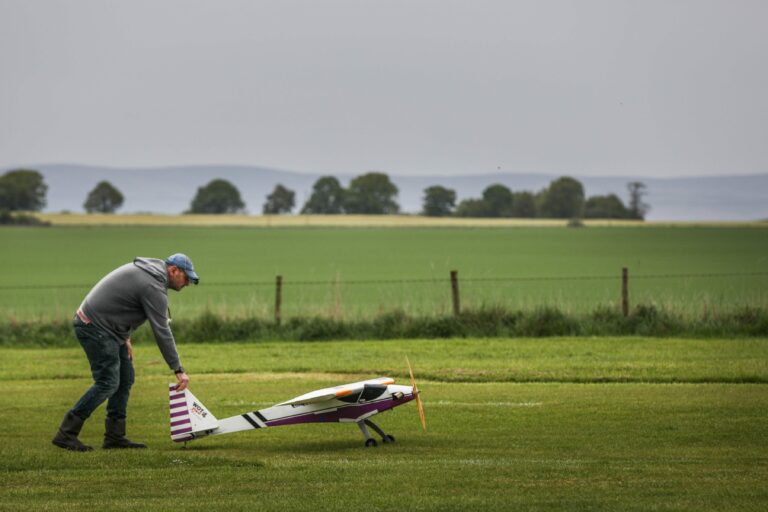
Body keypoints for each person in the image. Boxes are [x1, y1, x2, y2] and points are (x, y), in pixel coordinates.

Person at [52, 253, 199, 451]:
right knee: (108, 382)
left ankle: (114, 437)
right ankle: (66, 434)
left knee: (125, 377)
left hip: (109, 329)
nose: (188, 283)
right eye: (186, 277)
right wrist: (178, 369)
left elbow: (121, 303)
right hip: (95, 327)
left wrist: (125, 337)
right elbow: (162, 331)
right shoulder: (153, 285)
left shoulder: (150, 275)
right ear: (173, 270)